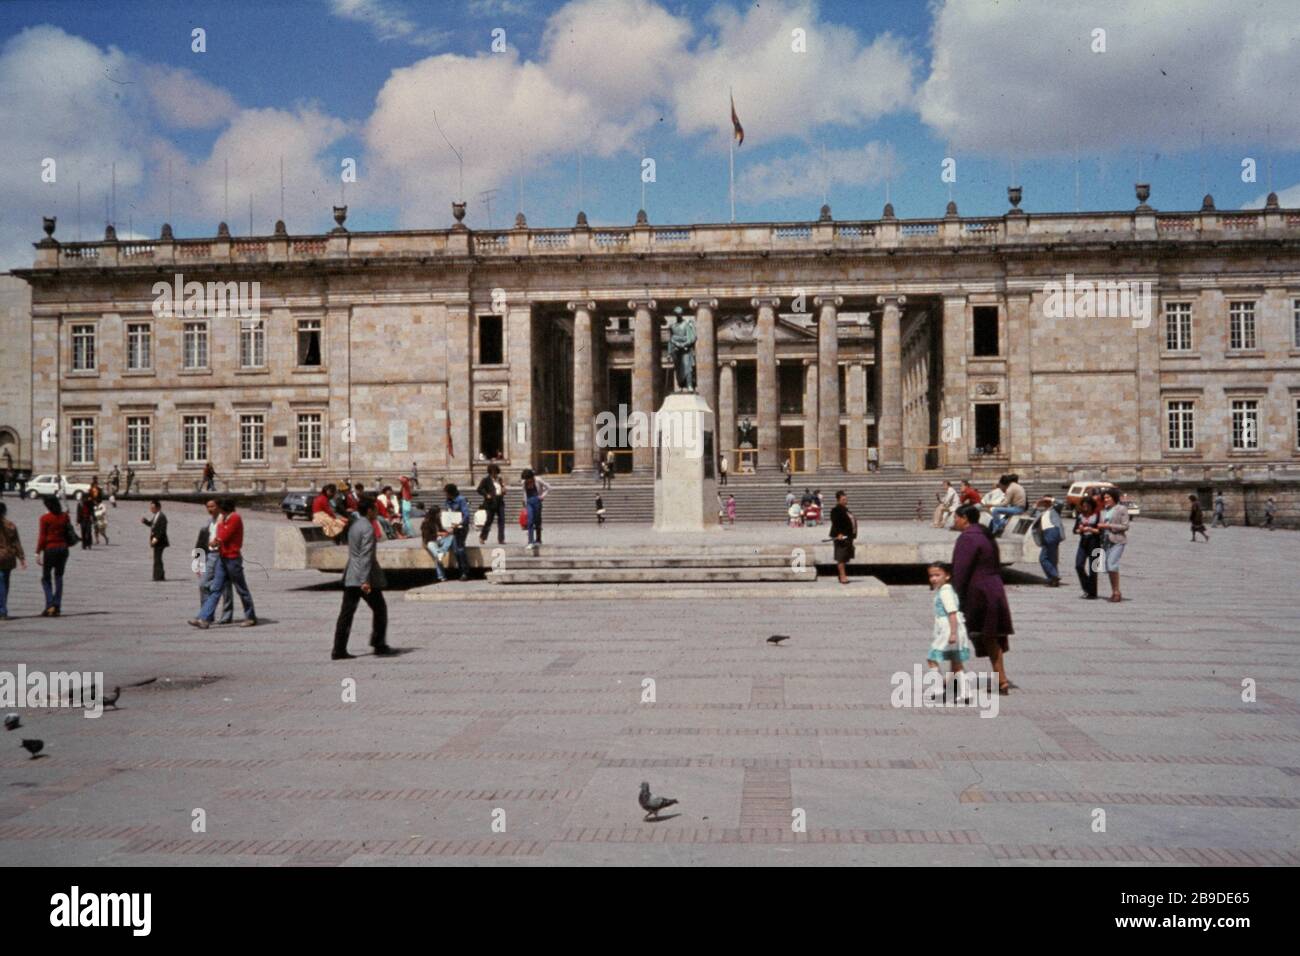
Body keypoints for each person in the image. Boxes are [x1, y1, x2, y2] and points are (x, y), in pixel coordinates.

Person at [951, 504, 1015, 695]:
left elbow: (961, 570)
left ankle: (955, 680)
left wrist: (955, 595)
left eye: (956, 517)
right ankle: (1001, 679)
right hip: (994, 588)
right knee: (991, 636)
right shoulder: (986, 535)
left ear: (965, 518)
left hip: (978, 592)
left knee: (960, 635)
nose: (955, 521)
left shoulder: (968, 538)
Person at [333, 498, 396, 660]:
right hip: (364, 577)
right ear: (369, 510)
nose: (376, 512)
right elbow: (365, 555)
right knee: (380, 609)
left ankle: (338, 648)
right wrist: (365, 580)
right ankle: (378, 644)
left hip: (351, 575)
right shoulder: (367, 528)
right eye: (374, 509)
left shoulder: (355, 525)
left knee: (346, 613)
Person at [190, 498, 256, 628]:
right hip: (222, 557)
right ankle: (204, 618)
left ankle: (250, 617)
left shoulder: (235, 518)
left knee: (241, 589)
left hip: (232, 559)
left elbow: (224, 536)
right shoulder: (224, 519)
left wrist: (219, 527)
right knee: (216, 589)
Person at [926, 562, 971, 701]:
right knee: (956, 661)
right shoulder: (946, 589)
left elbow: (952, 612)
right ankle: (965, 693)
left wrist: (952, 633)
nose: (934, 578)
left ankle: (938, 688)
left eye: (937, 575)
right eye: (931, 576)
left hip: (949, 629)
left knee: (932, 658)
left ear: (947, 576)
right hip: (954, 629)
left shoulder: (945, 592)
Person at [195, 498, 234, 625]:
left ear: (218, 507)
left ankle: (227, 615)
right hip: (211, 555)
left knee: (226, 587)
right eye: (208, 507)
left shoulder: (227, 520)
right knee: (203, 584)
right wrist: (198, 563)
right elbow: (200, 544)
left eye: (212, 506)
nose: (210, 509)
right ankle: (206, 614)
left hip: (224, 555)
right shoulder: (207, 524)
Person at [36, 496, 73, 616]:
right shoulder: (65, 516)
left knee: (46, 577)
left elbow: (42, 537)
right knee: (59, 576)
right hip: (63, 548)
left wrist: (38, 552)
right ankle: (57, 605)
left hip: (50, 549)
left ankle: (50, 604)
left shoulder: (45, 518)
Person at [1096, 488, 1130, 603]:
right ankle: (1114, 591)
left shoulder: (1121, 509)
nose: (1106, 500)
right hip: (1105, 541)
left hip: (1117, 540)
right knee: (1108, 568)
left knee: (1112, 565)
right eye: (1104, 498)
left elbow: (1125, 526)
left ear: (1114, 497)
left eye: (1108, 497)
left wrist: (1108, 526)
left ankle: (1116, 592)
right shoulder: (1103, 510)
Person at [0, 502, 26, 620]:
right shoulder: (10, 525)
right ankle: (3, 610)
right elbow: (16, 543)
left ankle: (2, 609)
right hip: (8, 558)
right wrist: (22, 558)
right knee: (5, 583)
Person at [1073, 496, 1102, 599]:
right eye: (1084, 506)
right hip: (1083, 542)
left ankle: (1092, 593)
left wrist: (1090, 528)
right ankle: (1087, 588)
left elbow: (1100, 531)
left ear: (1091, 506)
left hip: (1095, 542)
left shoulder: (1098, 515)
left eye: (1087, 506)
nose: (1085, 508)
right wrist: (1080, 530)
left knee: (1093, 568)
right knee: (1078, 565)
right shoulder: (1080, 516)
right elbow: (1074, 530)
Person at [1031, 496, 1064, 586]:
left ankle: (1054, 575)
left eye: (1046, 502)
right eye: (1044, 502)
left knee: (1043, 558)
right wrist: (1037, 504)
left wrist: (1050, 499)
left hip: (1053, 531)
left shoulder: (1054, 510)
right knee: (1052, 558)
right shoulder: (1042, 513)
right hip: (1045, 534)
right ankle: (1053, 580)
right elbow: (1032, 513)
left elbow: (1061, 503)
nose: (1045, 503)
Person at [442, 483, 471, 580]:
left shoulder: (461, 499)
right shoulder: (448, 501)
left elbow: (466, 514)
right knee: (455, 550)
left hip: (461, 528)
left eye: (446, 493)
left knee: (460, 549)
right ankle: (461, 570)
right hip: (453, 528)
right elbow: (447, 512)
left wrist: (459, 523)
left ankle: (465, 572)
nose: (445, 495)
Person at [421, 505, 456, 583]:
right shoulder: (426, 523)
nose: (440, 514)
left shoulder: (437, 521)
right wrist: (439, 533)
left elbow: (441, 530)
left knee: (451, 537)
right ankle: (441, 576)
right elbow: (427, 536)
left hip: (439, 540)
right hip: (430, 541)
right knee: (437, 557)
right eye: (439, 513)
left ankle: (442, 551)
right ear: (434, 513)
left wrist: (447, 532)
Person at [829, 491, 857, 585]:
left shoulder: (846, 510)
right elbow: (835, 522)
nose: (845, 501)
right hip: (841, 537)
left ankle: (842, 575)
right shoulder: (836, 510)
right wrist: (839, 533)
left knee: (845, 557)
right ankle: (842, 577)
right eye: (843, 499)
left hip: (848, 537)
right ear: (838, 500)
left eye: (846, 499)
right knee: (841, 557)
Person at [476, 463, 507, 545]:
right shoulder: (486, 480)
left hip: (500, 501)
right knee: (489, 520)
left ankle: (501, 539)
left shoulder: (499, 480)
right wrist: (486, 494)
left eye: (496, 472)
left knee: (502, 521)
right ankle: (482, 537)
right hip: (490, 502)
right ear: (490, 472)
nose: (494, 473)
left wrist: (504, 490)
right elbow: (479, 489)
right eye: (493, 472)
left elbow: (502, 488)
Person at [521, 468, 550, 550]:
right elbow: (524, 492)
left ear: (531, 477)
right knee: (530, 521)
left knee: (537, 520)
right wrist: (524, 501)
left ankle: (538, 539)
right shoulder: (524, 482)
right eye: (526, 479)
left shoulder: (538, 480)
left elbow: (548, 487)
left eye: (528, 479)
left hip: (537, 501)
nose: (527, 481)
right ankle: (530, 541)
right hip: (529, 502)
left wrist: (542, 496)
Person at [141, 498, 169, 581]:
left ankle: (158, 576)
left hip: (160, 541)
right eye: (151, 508)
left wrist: (156, 538)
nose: (151, 509)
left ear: (158, 507)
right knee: (157, 558)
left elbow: (162, 529)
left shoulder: (162, 516)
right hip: (156, 541)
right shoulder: (156, 516)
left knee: (157, 558)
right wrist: (145, 521)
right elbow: (152, 525)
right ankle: (160, 575)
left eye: (153, 508)